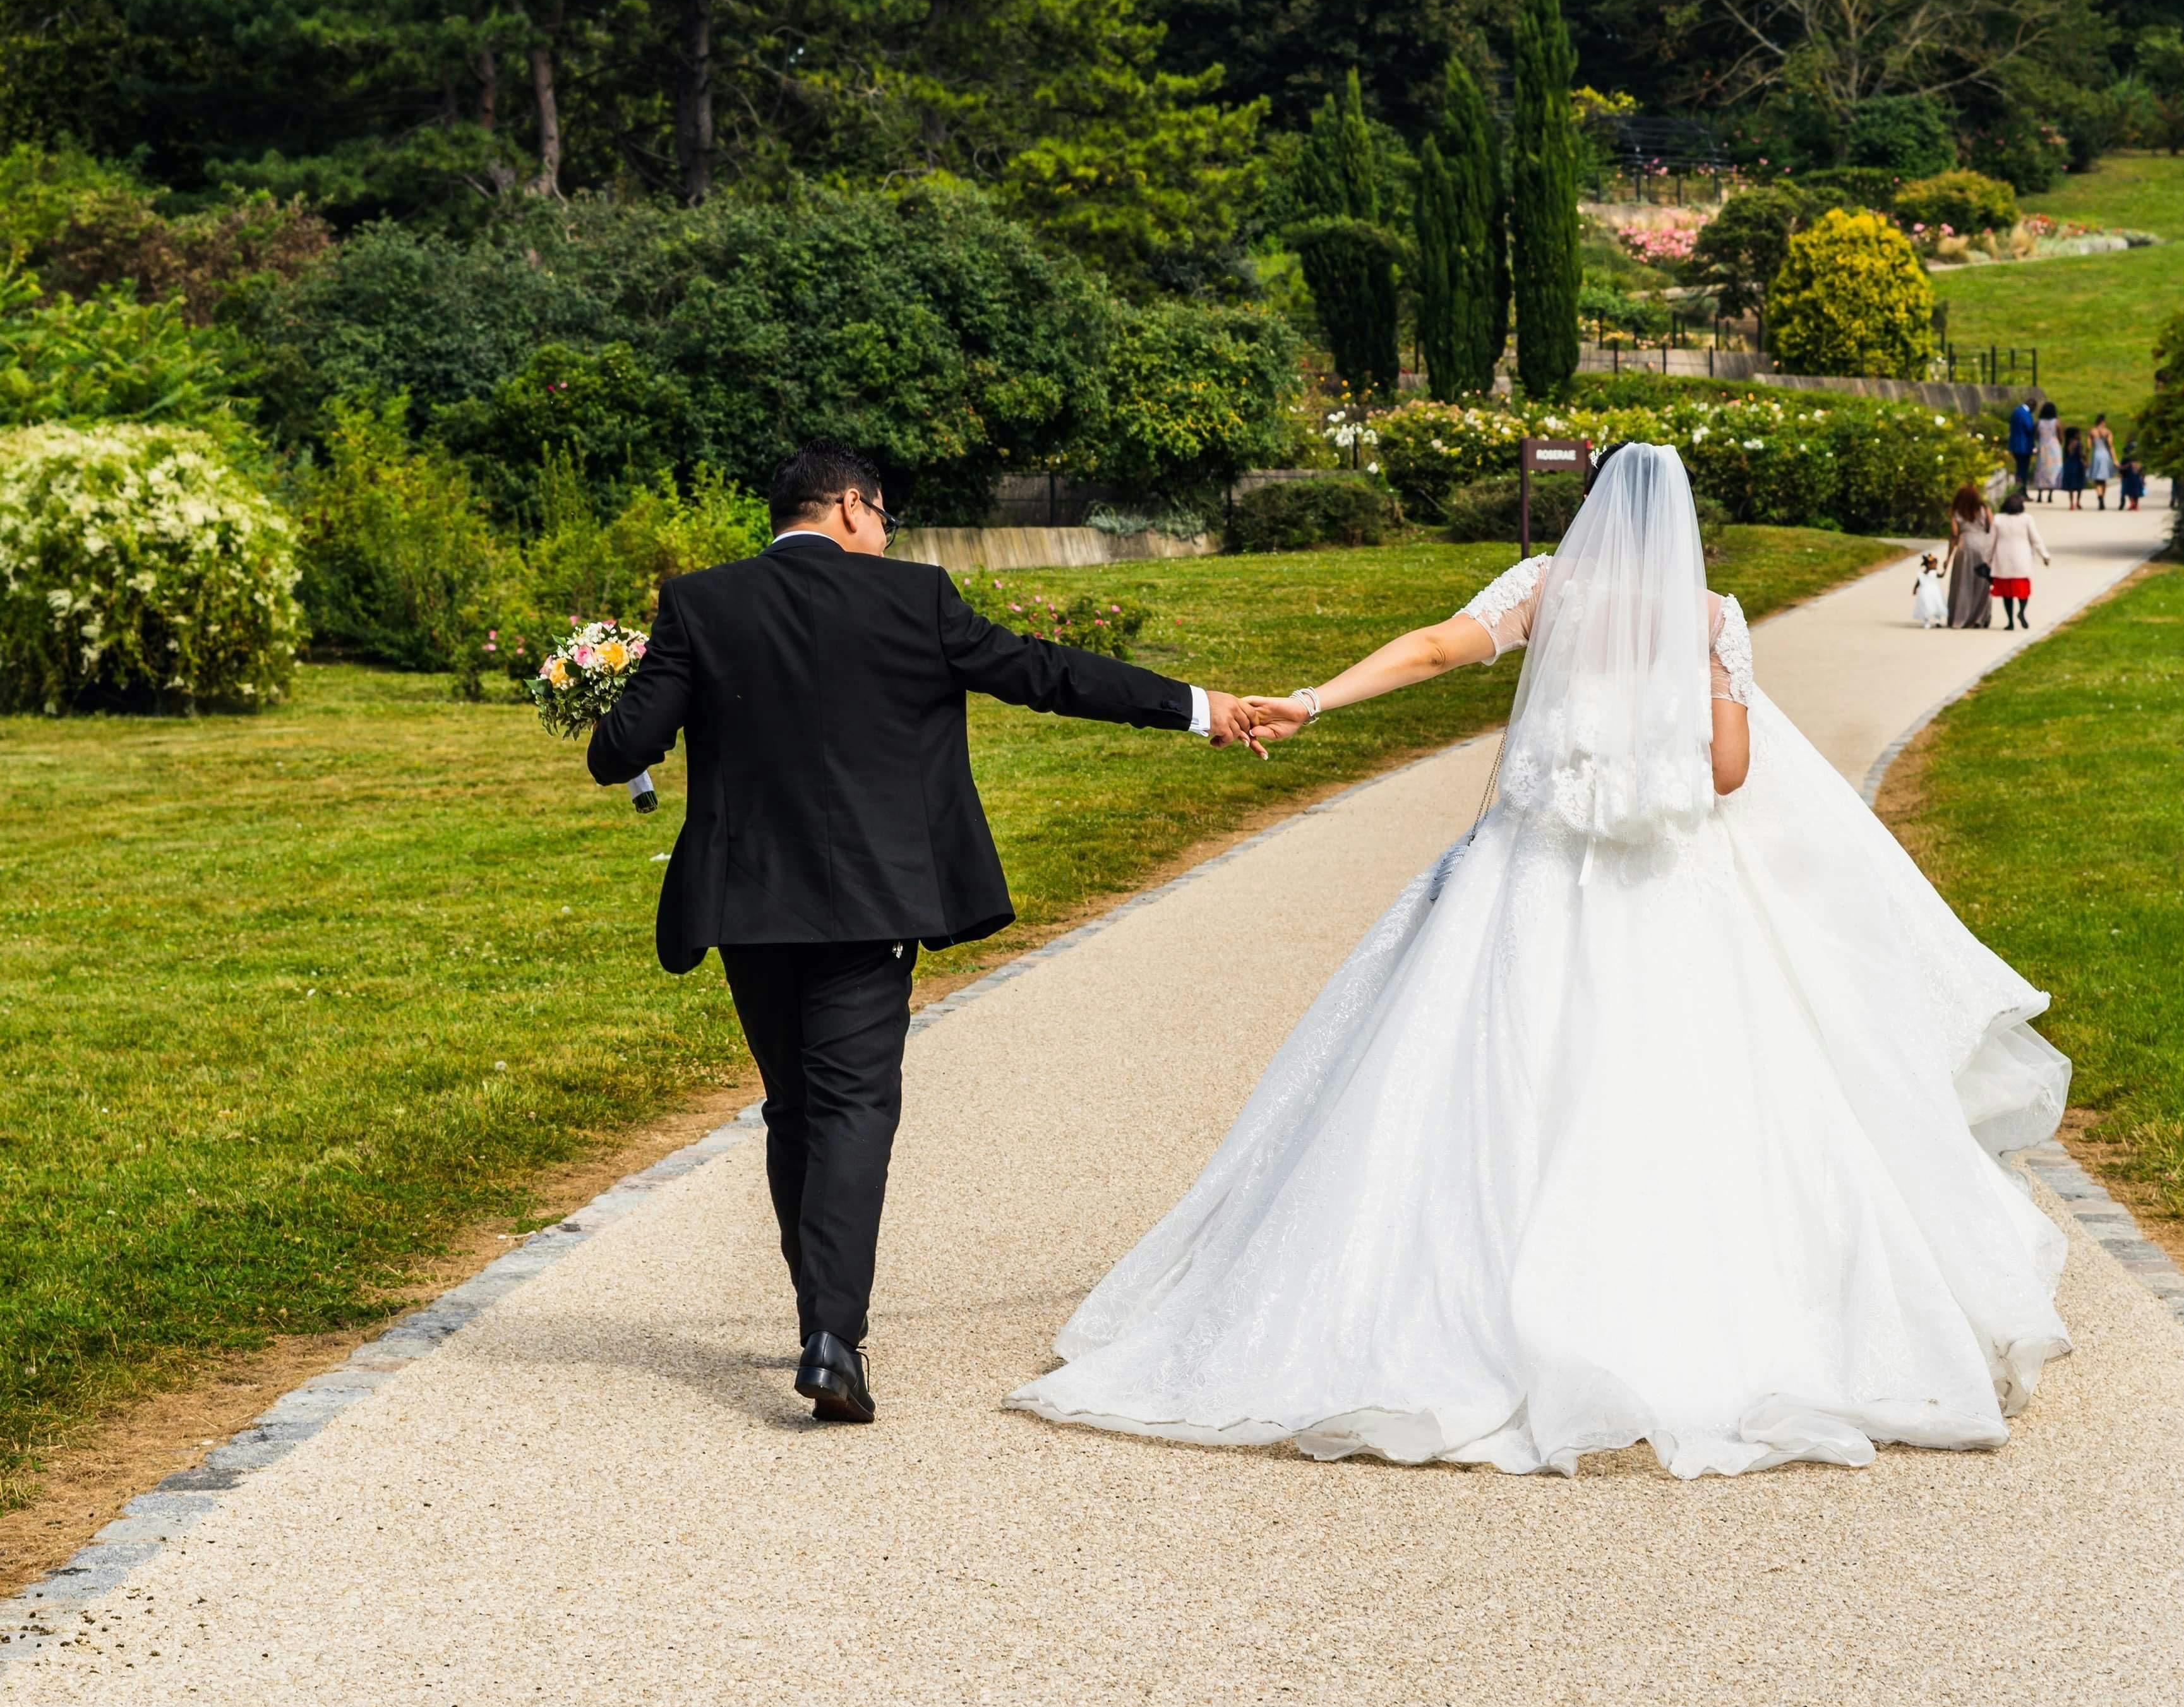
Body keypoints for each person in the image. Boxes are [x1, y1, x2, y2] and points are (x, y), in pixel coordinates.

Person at [1007, 445, 2074, 1479]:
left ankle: (1449, 1311)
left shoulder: (1545, 588)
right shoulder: (1710, 620)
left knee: (1481, 1081)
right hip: (1667, 888)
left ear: (1594, 506)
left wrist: (1313, 700)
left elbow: (1433, 649)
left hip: (1528, 874)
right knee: (1695, 1092)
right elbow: (1730, 772)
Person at [589, 440, 1263, 1426]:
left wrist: (605, 694)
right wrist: (1198, 709)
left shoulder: (702, 604)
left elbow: (620, 752)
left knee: (793, 1106)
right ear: (851, 506)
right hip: (875, 897)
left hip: (750, 906)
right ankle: (832, 1337)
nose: (886, 532)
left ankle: (821, 1321)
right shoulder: (916, 599)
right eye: (885, 516)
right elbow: (1046, 673)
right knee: (853, 1104)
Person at [1988, 488, 2048, 629]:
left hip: (2003, 561)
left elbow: (1990, 542)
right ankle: (2021, 612)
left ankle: (2010, 622)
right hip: (2022, 559)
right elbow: (2036, 539)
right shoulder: (2026, 519)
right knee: (2023, 592)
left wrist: (1987, 559)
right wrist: (2045, 555)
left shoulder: (1998, 519)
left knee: (2007, 595)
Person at [1945, 482, 1995, 628]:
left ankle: (1960, 617)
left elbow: (1954, 535)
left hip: (1965, 547)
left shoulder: (1956, 512)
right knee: (1983, 583)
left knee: (1963, 582)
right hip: (1983, 547)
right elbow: (1992, 528)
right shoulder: (1985, 509)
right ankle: (1980, 618)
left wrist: (1948, 557)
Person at [2031, 404, 2063, 500]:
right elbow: (2061, 437)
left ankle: (2040, 494)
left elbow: (2036, 436)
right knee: (2053, 471)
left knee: (2041, 470)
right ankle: (2050, 494)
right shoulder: (2056, 423)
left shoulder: (2039, 423)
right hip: (2054, 448)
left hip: (2043, 448)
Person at [2086, 414, 2117, 510]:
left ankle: (2100, 497)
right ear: (2103, 422)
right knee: (2104, 479)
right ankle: (2103, 497)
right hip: (2106, 456)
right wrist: (2115, 460)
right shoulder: (2108, 432)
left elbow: (2089, 447)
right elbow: (2110, 445)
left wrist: (2086, 458)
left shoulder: (2092, 432)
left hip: (2096, 456)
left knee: (2097, 480)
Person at [2005, 399, 2037, 490]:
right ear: (2032, 406)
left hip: (2015, 445)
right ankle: (2021, 490)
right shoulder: (2025, 413)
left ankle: (2019, 489)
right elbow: (2029, 428)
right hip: (2024, 446)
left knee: (2019, 468)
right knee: (2023, 470)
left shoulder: (2016, 411)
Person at [2058, 424, 2089, 510]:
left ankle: (2071, 504)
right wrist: (2086, 460)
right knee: (2079, 485)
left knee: (2071, 486)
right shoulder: (2079, 444)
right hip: (2077, 465)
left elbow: (2065, 457)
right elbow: (2081, 455)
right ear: (2075, 435)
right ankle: (2078, 502)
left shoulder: (2067, 444)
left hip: (2069, 466)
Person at [2119, 440, 2147, 510]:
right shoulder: (2139, 459)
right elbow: (2143, 470)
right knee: (2136, 492)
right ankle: (2135, 504)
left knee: (2130, 492)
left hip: (2129, 477)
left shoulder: (2126, 458)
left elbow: (2121, 469)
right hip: (2136, 478)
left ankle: (2133, 503)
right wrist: (2143, 479)